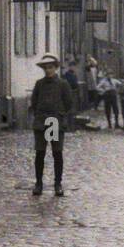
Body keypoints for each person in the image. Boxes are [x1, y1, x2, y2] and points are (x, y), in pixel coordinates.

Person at [31, 53, 75, 196]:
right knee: (40, 153)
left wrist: (61, 115)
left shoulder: (62, 84)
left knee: (57, 153)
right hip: (41, 122)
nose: (48, 70)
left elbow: (69, 103)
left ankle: (58, 184)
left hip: (55, 121)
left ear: (56, 68)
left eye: (50, 67)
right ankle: (38, 184)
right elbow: (34, 102)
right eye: (46, 68)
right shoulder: (39, 84)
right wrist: (38, 115)